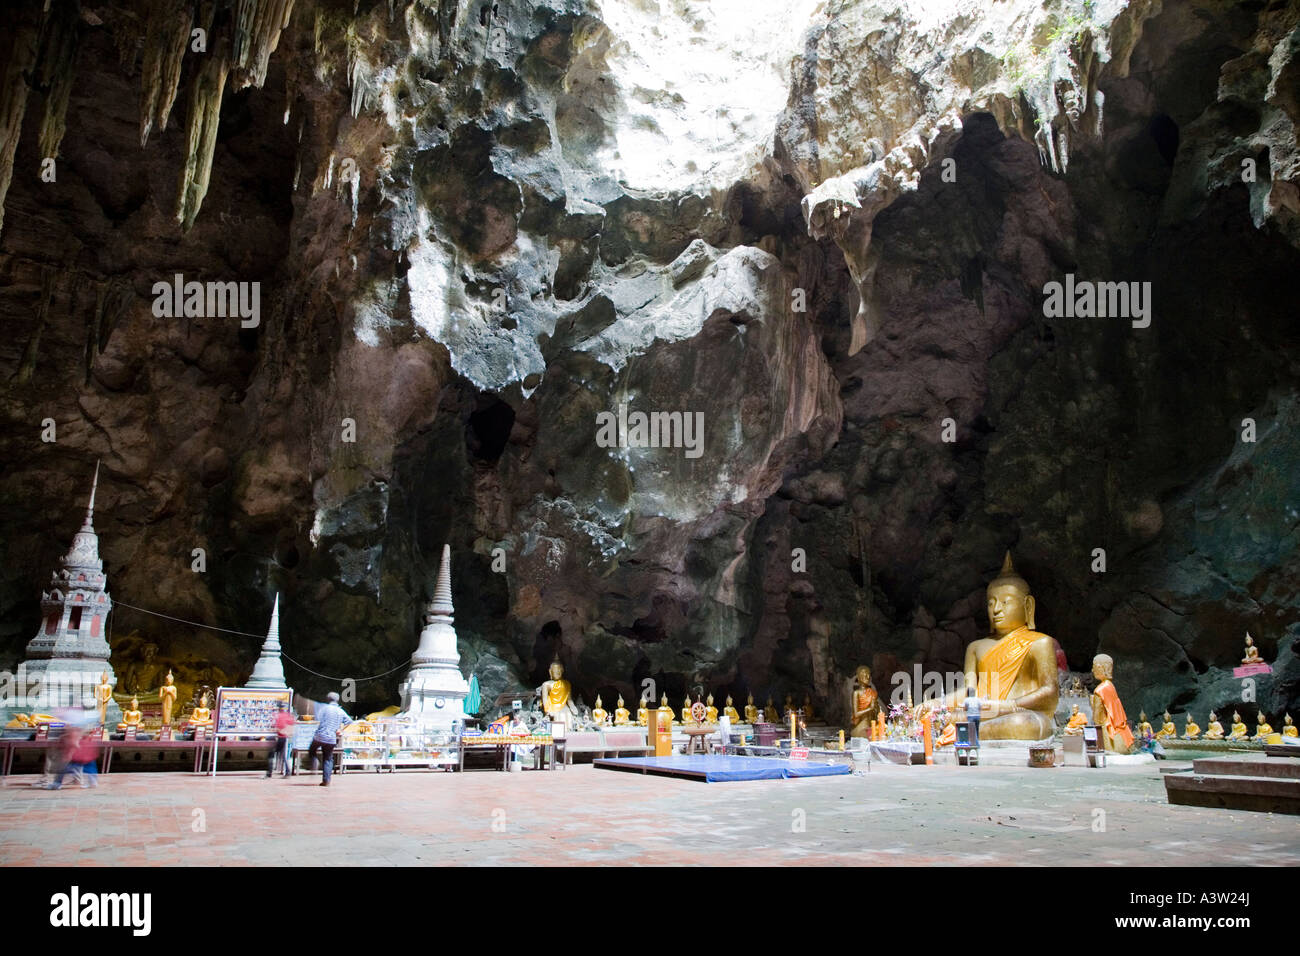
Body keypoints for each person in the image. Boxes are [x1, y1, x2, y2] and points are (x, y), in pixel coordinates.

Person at [308, 692, 352, 786]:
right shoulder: (340, 710)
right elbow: (349, 721)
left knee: (312, 749)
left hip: (320, 736)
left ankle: (314, 760)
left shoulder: (324, 708)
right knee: (328, 758)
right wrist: (340, 730)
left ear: (328, 699)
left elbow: (317, 718)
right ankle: (326, 781)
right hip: (331, 738)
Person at [268, 708, 296, 778]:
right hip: (285, 737)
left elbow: (277, 727)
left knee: (271, 755)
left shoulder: (278, 716)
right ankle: (287, 771)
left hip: (280, 737)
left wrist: (278, 730)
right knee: (283, 755)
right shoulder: (288, 715)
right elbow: (292, 725)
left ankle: (269, 773)